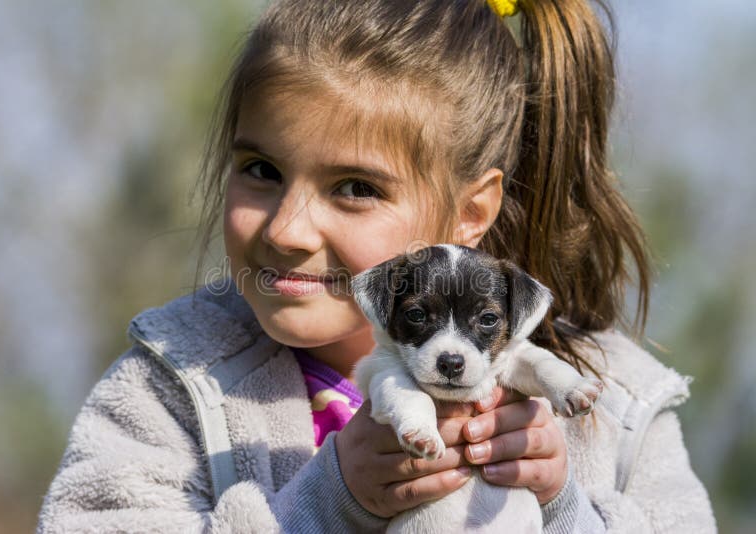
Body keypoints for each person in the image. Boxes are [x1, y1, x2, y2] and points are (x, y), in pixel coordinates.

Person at [36, 0, 717, 532]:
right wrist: (329, 506)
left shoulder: (612, 404)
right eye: (261, 171)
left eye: (355, 188)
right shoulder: (174, 385)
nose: (287, 229)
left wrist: (559, 506)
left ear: (472, 210)